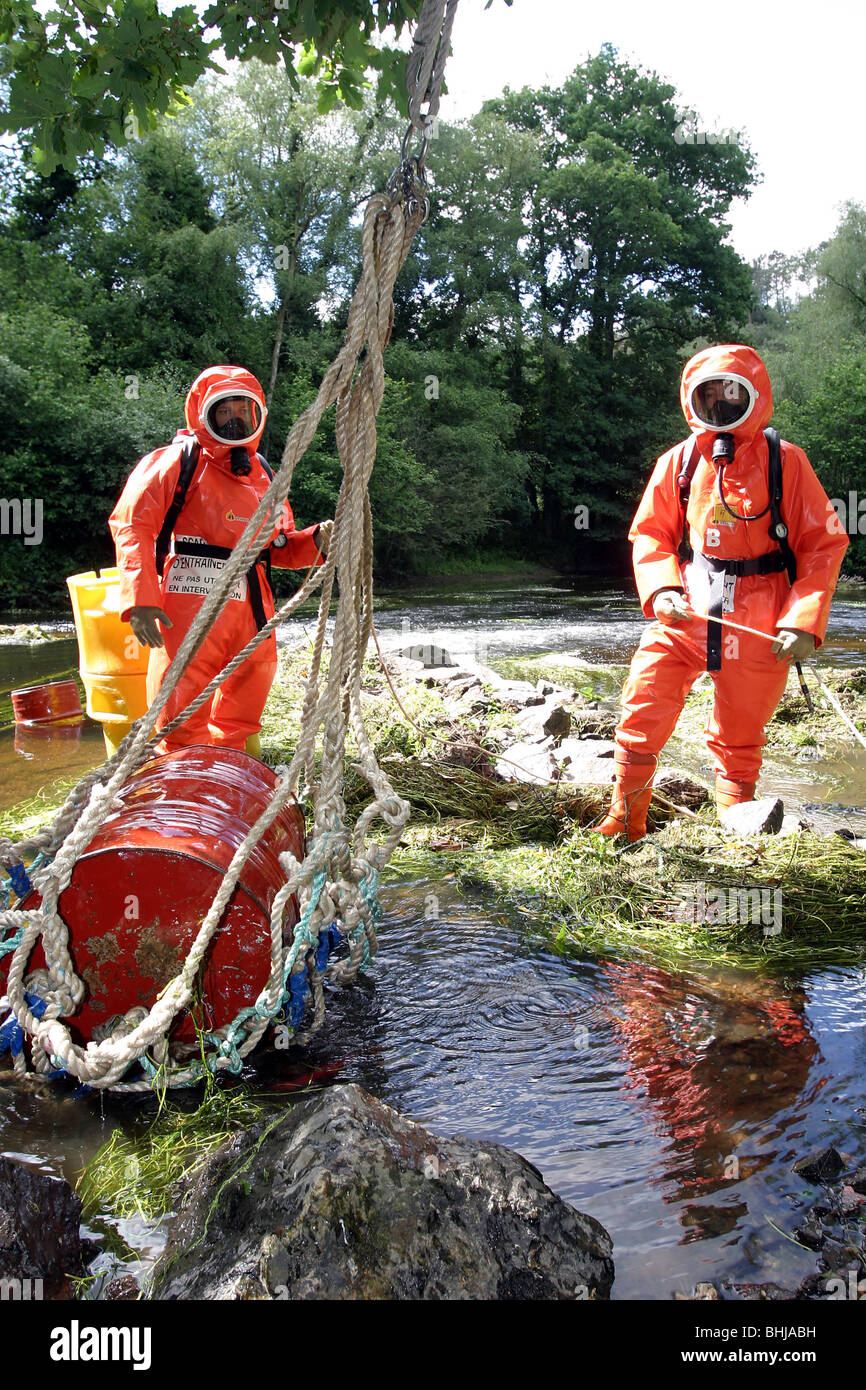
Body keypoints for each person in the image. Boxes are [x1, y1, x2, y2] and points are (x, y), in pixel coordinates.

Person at [599, 343, 848, 840]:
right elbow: (650, 533)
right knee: (643, 705)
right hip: (686, 608)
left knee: (739, 739)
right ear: (693, 401)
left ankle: (736, 837)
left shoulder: (787, 464)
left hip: (762, 616)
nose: (722, 405)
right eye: (710, 396)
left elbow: (823, 543)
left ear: (755, 397)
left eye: (733, 394)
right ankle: (625, 823)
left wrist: (802, 622)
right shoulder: (681, 462)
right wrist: (662, 589)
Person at [109, 364, 333, 753]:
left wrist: (318, 540)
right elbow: (133, 526)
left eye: (240, 411)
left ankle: (230, 785)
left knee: (242, 711)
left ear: (255, 415)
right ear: (203, 414)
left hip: (253, 609)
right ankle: (185, 788)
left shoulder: (264, 476)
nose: (232, 420)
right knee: (179, 708)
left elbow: (276, 549)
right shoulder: (177, 463)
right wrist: (140, 600)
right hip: (190, 606)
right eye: (223, 411)